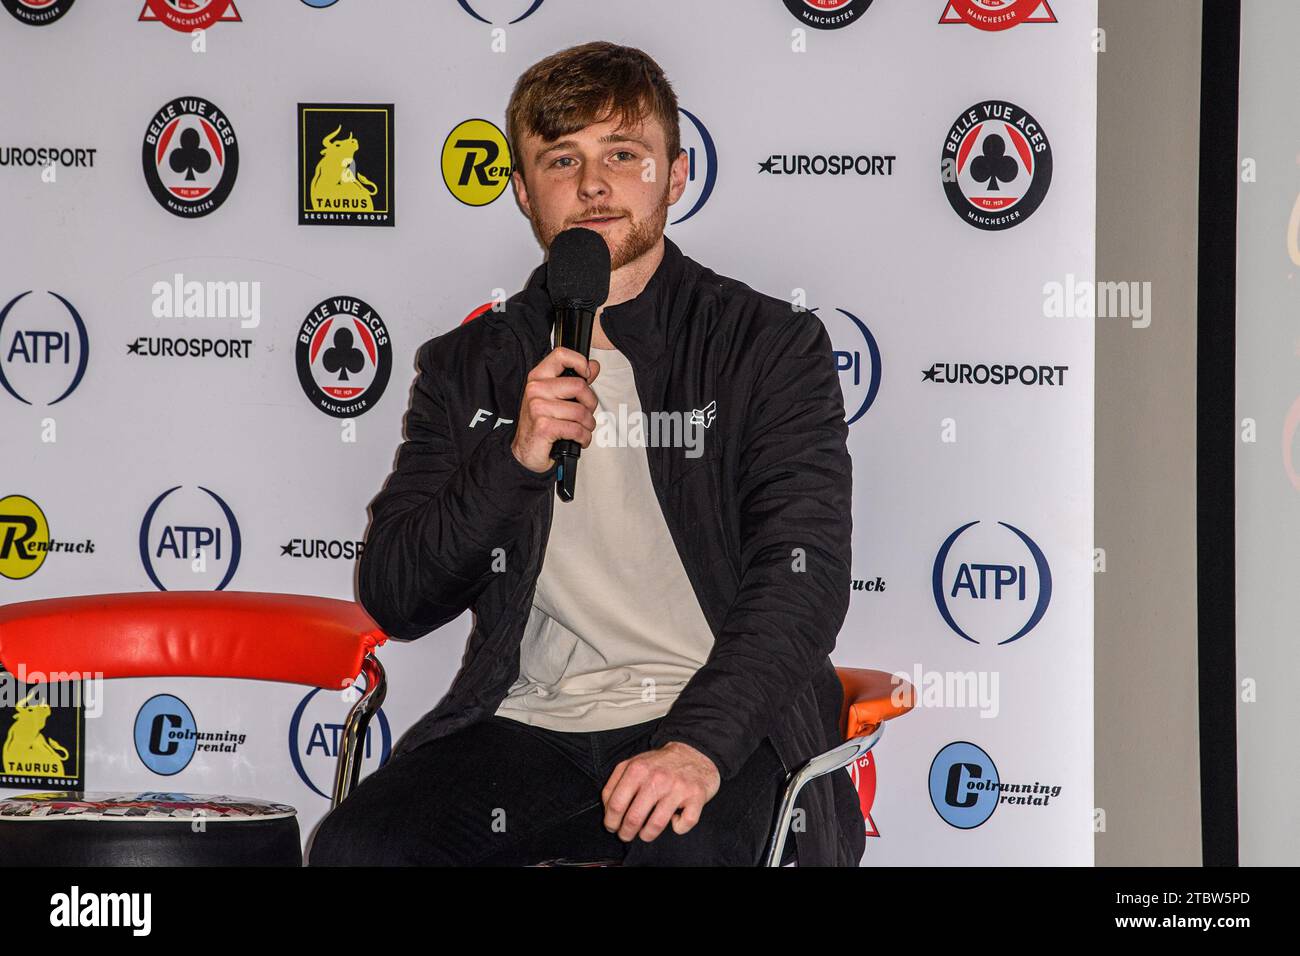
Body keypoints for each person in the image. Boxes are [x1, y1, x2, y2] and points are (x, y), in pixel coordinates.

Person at [309, 40, 863, 867]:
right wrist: (514, 460)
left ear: (674, 177)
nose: (594, 184)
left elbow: (803, 577)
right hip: (537, 729)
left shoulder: (767, 347)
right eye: (562, 159)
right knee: (362, 848)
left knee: (686, 854)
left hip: (720, 728)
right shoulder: (469, 367)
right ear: (524, 192)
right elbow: (398, 595)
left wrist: (696, 747)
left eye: (623, 155)